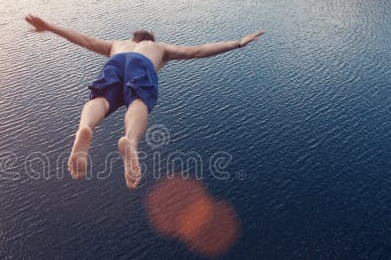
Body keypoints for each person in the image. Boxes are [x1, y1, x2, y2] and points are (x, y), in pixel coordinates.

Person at [25, 14, 264, 189]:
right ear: (149, 39)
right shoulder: (158, 47)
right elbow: (197, 51)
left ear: (133, 38)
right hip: (143, 66)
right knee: (138, 101)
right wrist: (237, 43)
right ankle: (130, 140)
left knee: (101, 99)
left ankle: (85, 127)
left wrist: (50, 27)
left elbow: (84, 40)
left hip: (115, 62)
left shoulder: (116, 45)